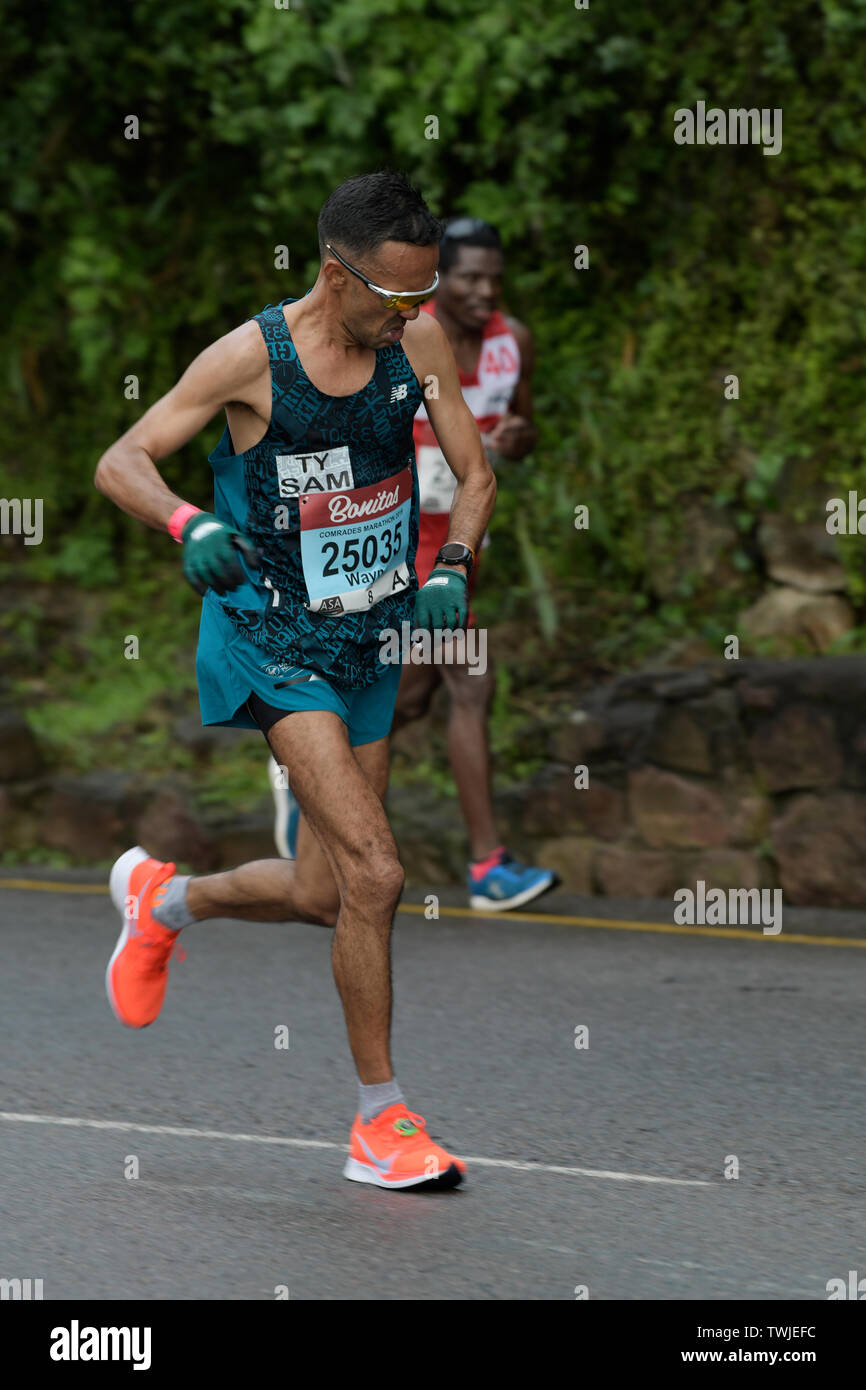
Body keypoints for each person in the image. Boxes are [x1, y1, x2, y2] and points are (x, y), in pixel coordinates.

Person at [94, 171, 495, 1191]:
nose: (413, 317)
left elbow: (474, 471)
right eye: (395, 299)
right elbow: (123, 459)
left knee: (326, 892)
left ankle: (162, 902)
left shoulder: (418, 342)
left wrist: (453, 564)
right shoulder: (249, 358)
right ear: (334, 274)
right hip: (265, 638)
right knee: (378, 872)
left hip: (366, 639)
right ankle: (379, 1122)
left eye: (423, 298)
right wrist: (189, 521)